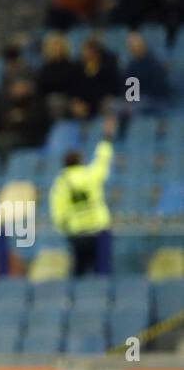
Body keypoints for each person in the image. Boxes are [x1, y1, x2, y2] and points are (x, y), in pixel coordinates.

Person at [50, 116, 116, 276]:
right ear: (80, 160)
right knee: (103, 273)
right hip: (99, 230)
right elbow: (103, 160)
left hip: (77, 234)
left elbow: (57, 212)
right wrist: (106, 138)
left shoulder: (61, 183)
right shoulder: (90, 175)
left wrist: (65, 228)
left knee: (79, 273)